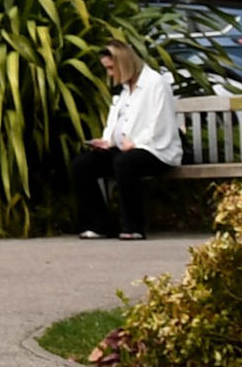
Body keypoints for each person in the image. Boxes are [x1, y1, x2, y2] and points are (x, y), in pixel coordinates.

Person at [71, 37, 182, 236]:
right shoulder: (123, 89)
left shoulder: (155, 83)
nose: (109, 74)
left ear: (123, 63)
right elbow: (115, 120)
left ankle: (133, 227)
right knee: (83, 165)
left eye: (111, 68)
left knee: (125, 163)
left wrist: (137, 143)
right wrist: (106, 141)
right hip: (125, 149)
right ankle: (98, 225)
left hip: (156, 150)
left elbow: (161, 123)